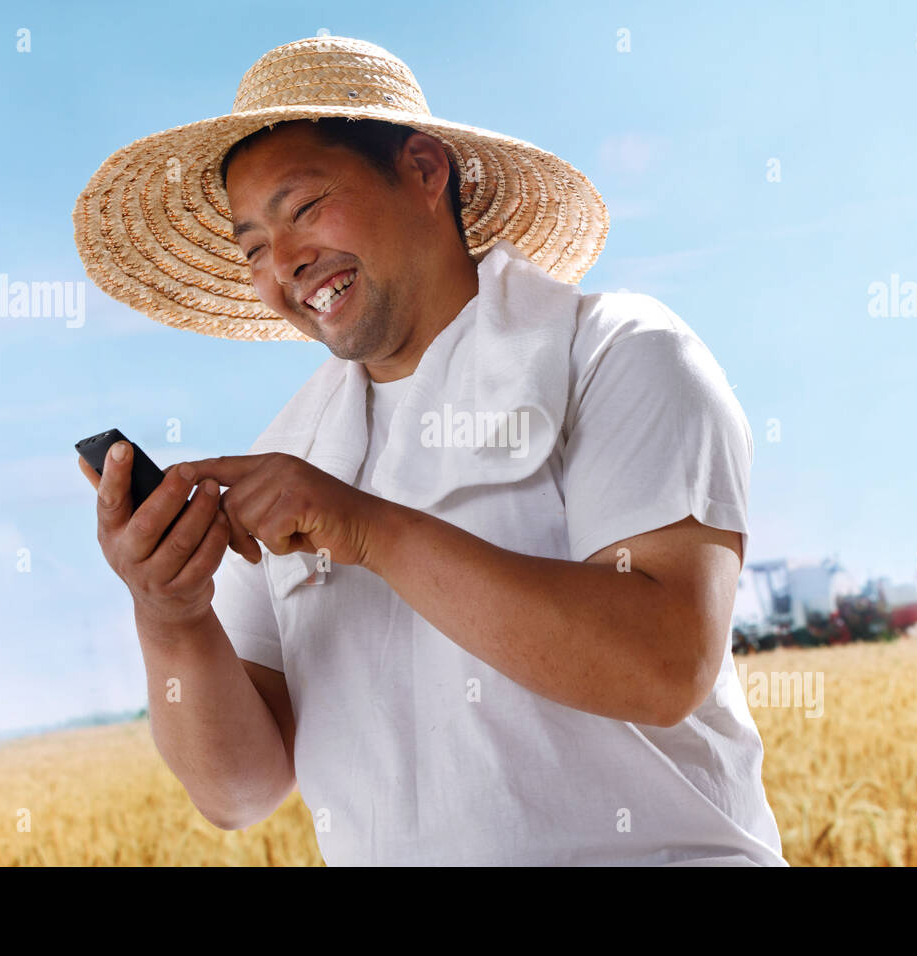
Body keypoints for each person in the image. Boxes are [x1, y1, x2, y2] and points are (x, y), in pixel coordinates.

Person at [73, 35, 786, 866]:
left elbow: (664, 663)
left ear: (422, 171)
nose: (287, 265)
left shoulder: (616, 353)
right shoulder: (290, 456)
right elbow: (241, 792)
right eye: (254, 247)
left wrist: (367, 529)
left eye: (304, 208)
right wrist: (172, 617)